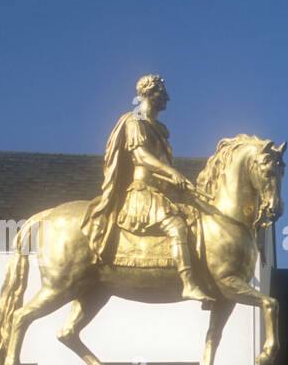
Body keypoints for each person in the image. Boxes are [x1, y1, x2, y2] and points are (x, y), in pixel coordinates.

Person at [82, 74, 212, 303]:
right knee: (177, 225)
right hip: (142, 191)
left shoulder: (158, 128)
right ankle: (189, 284)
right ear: (149, 93)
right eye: (163, 93)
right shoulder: (136, 121)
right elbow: (141, 156)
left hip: (162, 191)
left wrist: (177, 184)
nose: (167, 98)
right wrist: (172, 173)